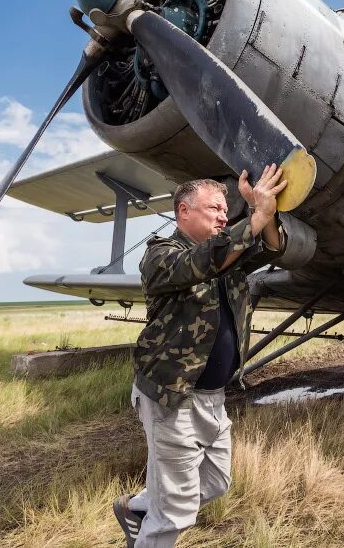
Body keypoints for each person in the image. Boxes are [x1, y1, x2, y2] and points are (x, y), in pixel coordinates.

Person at [115, 165, 287, 547]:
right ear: (184, 211)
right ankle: (153, 522)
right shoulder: (161, 255)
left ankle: (138, 508)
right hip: (172, 395)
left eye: (227, 209)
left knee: (215, 482)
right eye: (214, 208)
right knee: (175, 510)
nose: (224, 216)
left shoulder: (228, 254)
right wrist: (255, 217)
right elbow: (201, 262)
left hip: (213, 397)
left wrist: (265, 213)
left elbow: (273, 246)